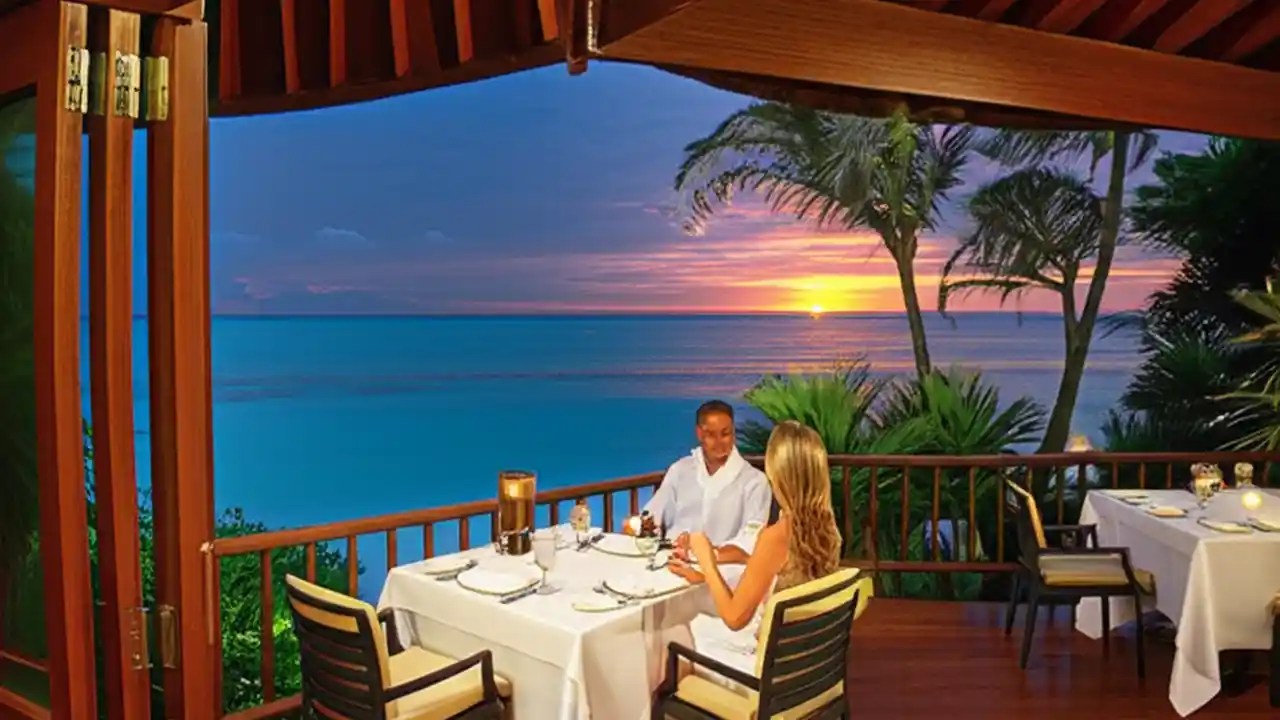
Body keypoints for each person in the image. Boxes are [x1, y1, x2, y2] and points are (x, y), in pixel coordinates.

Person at [668, 419, 841, 631]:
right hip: (808, 640)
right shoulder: (825, 526)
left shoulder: (778, 535)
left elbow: (735, 618)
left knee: (680, 631)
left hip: (774, 645)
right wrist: (706, 573)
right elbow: (772, 567)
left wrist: (707, 563)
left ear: (777, 473)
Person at [627, 400, 772, 565]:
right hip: (671, 561)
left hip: (723, 568)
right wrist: (638, 526)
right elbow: (652, 517)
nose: (719, 441)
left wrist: (705, 554)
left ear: (733, 432)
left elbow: (751, 542)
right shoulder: (680, 470)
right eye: (711, 435)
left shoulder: (754, 482)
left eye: (725, 434)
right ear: (699, 433)